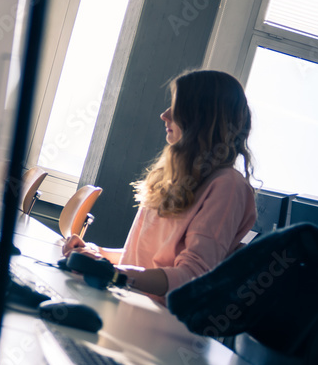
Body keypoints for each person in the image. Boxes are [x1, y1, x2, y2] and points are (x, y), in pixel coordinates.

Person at [63, 69, 256, 299]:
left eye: (178, 107)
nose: (164, 114)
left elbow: (192, 277)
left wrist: (115, 273)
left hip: (158, 320)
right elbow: (146, 259)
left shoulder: (228, 186)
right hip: (131, 302)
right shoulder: (175, 175)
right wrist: (97, 254)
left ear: (202, 117)